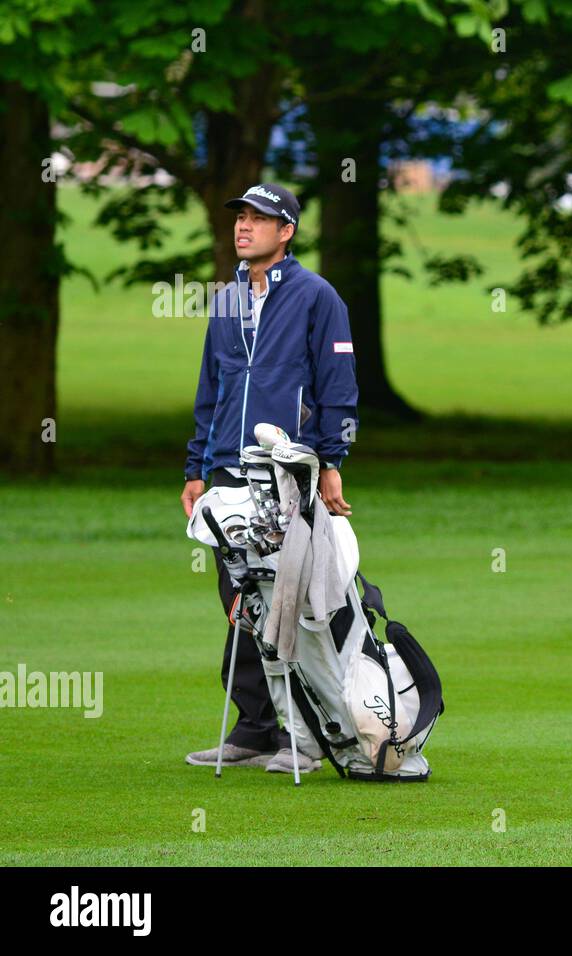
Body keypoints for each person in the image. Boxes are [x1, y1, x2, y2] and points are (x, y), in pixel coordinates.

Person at [180, 183, 358, 774]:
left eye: (260, 219)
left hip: (287, 471)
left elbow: (338, 387)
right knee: (239, 602)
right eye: (241, 217)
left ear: (286, 232)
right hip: (226, 471)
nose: (244, 226)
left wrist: (332, 462)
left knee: (292, 602)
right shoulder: (227, 297)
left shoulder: (317, 296)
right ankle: (257, 727)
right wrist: (196, 468)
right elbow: (212, 387)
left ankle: (310, 732)